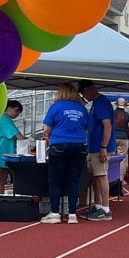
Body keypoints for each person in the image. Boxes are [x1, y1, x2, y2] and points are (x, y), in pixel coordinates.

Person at [40, 83, 88, 224]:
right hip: (79, 145)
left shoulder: (56, 107)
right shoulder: (82, 109)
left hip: (59, 144)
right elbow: (86, 127)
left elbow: (46, 128)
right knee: (73, 180)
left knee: (55, 180)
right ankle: (72, 214)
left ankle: (55, 213)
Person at [79, 80, 115, 221]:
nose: (84, 96)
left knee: (101, 176)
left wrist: (103, 147)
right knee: (95, 177)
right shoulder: (97, 103)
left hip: (100, 146)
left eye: (84, 92)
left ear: (90, 89)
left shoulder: (100, 103)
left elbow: (107, 126)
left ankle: (105, 209)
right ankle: (99, 205)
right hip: (94, 146)